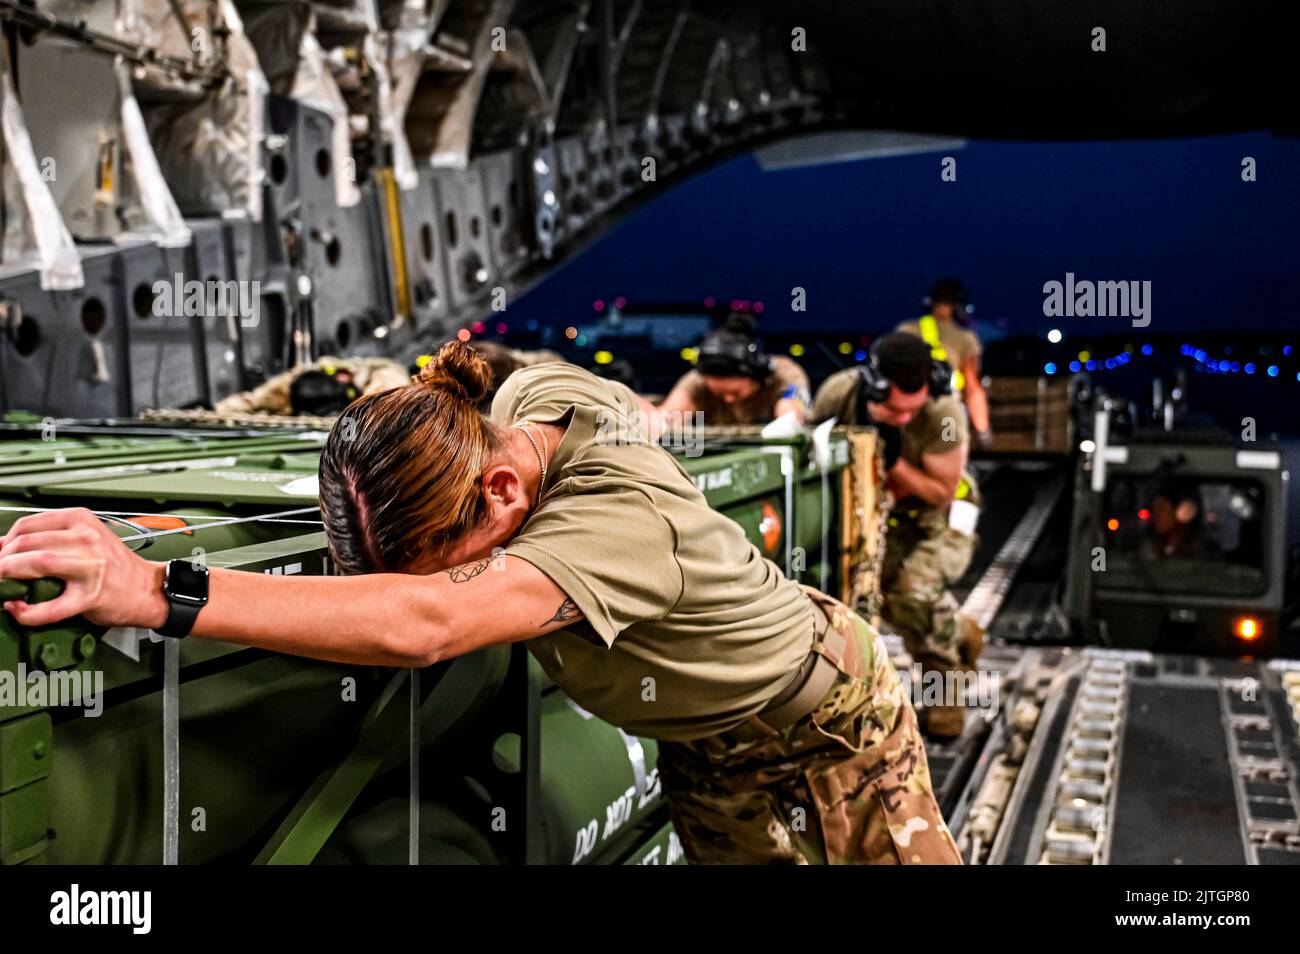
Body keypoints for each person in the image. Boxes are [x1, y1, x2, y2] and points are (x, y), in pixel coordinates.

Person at [0, 342, 958, 865]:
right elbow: (500, 363)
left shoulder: (615, 523)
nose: (428, 581)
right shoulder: (536, 403)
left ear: (501, 494)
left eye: (436, 560)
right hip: (705, 749)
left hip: (827, 732)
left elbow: (427, 624)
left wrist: (155, 586)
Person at [813, 333, 983, 739]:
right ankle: (960, 630)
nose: (905, 418)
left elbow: (940, 491)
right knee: (866, 594)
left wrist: (884, 452)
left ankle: (946, 690)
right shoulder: (841, 394)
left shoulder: (944, 414)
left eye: (912, 411)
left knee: (913, 593)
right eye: (894, 410)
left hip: (939, 520)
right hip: (874, 514)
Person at [656, 314, 810, 426]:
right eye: (719, 394)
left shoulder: (783, 374)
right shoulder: (698, 380)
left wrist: (788, 415)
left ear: (756, 377)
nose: (728, 399)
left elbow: (792, 413)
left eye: (735, 393)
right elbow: (669, 415)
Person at [896, 279, 992, 450]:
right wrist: (983, 432)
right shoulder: (965, 338)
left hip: (907, 413)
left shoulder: (907, 330)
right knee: (946, 459)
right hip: (946, 414)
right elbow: (972, 387)